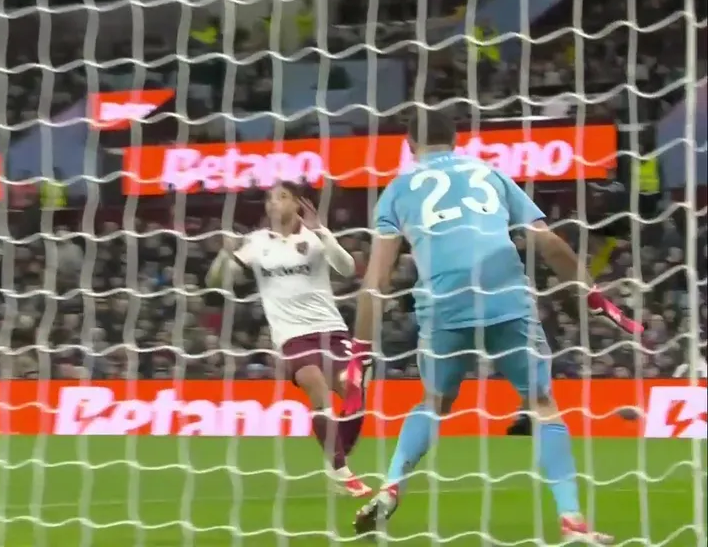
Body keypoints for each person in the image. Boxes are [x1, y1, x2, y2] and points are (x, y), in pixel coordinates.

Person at [348, 110, 642, 544]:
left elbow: (376, 281)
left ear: (409, 145)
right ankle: (572, 521)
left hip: (444, 305)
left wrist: (359, 351)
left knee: (434, 402)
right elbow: (548, 243)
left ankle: (391, 486)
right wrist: (593, 295)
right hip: (506, 299)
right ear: (456, 139)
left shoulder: (397, 190)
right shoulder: (490, 174)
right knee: (542, 405)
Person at [206, 180, 370, 497]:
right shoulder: (256, 243)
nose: (273, 203)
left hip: (331, 329)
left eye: (282, 197)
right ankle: (342, 473)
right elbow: (216, 282)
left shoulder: (315, 236)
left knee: (354, 391)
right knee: (315, 385)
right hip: (291, 335)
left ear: (297, 204)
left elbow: (348, 269)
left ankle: (337, 457)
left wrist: (322, 232)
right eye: (270, 198)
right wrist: (223, 255)